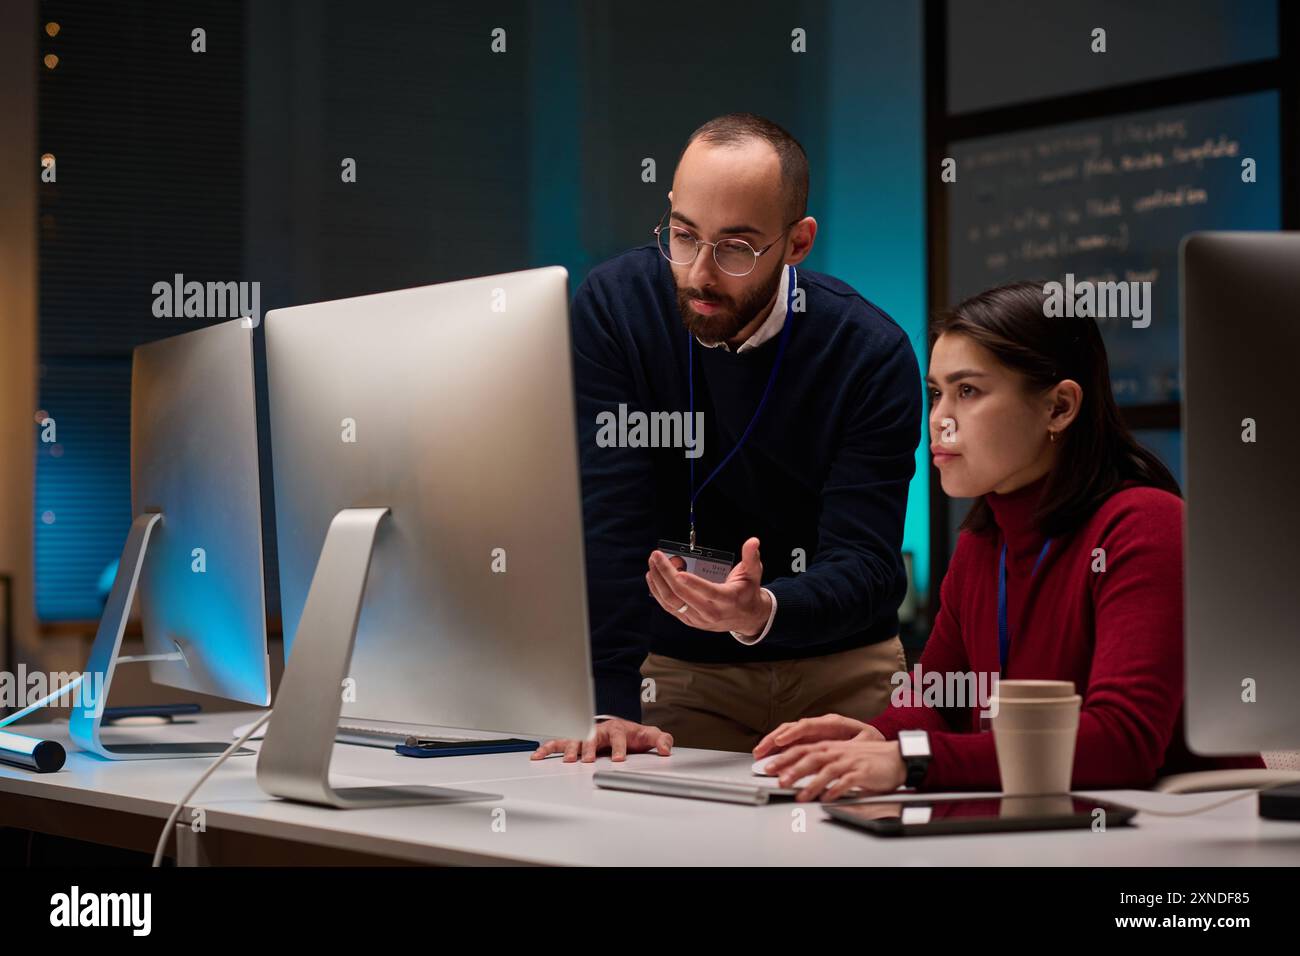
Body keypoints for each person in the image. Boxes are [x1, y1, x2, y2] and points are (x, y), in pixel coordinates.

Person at [750, 280, 1265, 800]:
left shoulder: (1146, 526)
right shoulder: (982, 543)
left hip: (1182, 843)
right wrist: (876, 737)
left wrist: (911, 760)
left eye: (967, 391)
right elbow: (941, 701)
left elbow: (1120, 743)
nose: (939, 421)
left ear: (1059, 407)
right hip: (1056, 832)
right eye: (936, 393)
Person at [532, 113, 921, 761]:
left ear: (798, 242)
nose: (700, 274)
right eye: (683, 236)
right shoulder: (618, 308)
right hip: (681, 671)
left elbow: (871, 566)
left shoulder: (867, 350)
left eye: (737, 248)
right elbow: (610, 518)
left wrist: (761, 608)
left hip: (840, 671)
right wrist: (610, 703)